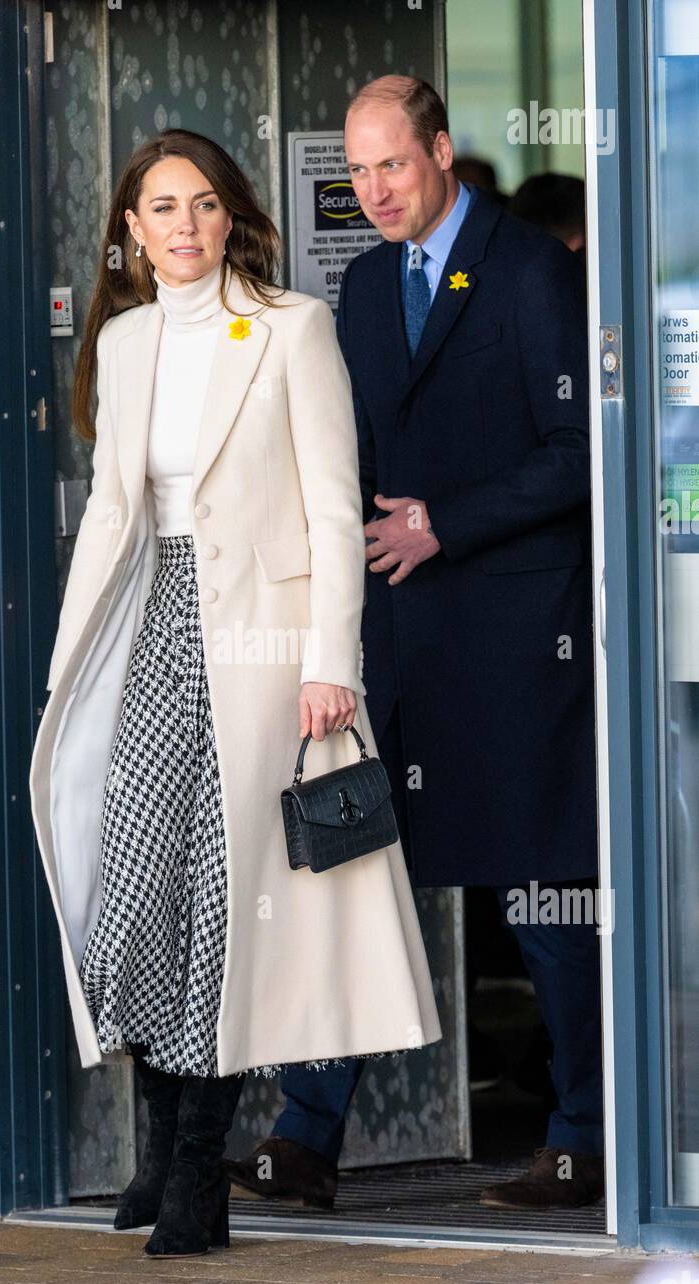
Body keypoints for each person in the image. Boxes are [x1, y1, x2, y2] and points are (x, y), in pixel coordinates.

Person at [28, 127, 442, 1258]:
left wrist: (329, 662)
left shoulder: (293, 330)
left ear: (231, 217)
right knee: (132, 894)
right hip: (151, 633)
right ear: (129, 231)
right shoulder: (122, 345)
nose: (183, 227)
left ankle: (197, 1174)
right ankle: (158, 1146)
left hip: (262, 655)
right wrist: (67, 668)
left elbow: (328, 505)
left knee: (224, 905)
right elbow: (114, 514)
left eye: (203, 205)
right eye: (160, 209)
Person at [226, 75, 603, 1212]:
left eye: (392, 164)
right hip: (388, 632)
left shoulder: (533, 269)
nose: (374, 190)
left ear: (439, 150)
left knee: (538, 890)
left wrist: (441, 520)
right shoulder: (355, 286)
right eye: (357, 171)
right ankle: (304, 1139)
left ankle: (584, 1136)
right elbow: (346, 457)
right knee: (342, 866)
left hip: (508, 636)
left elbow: (579, 446)